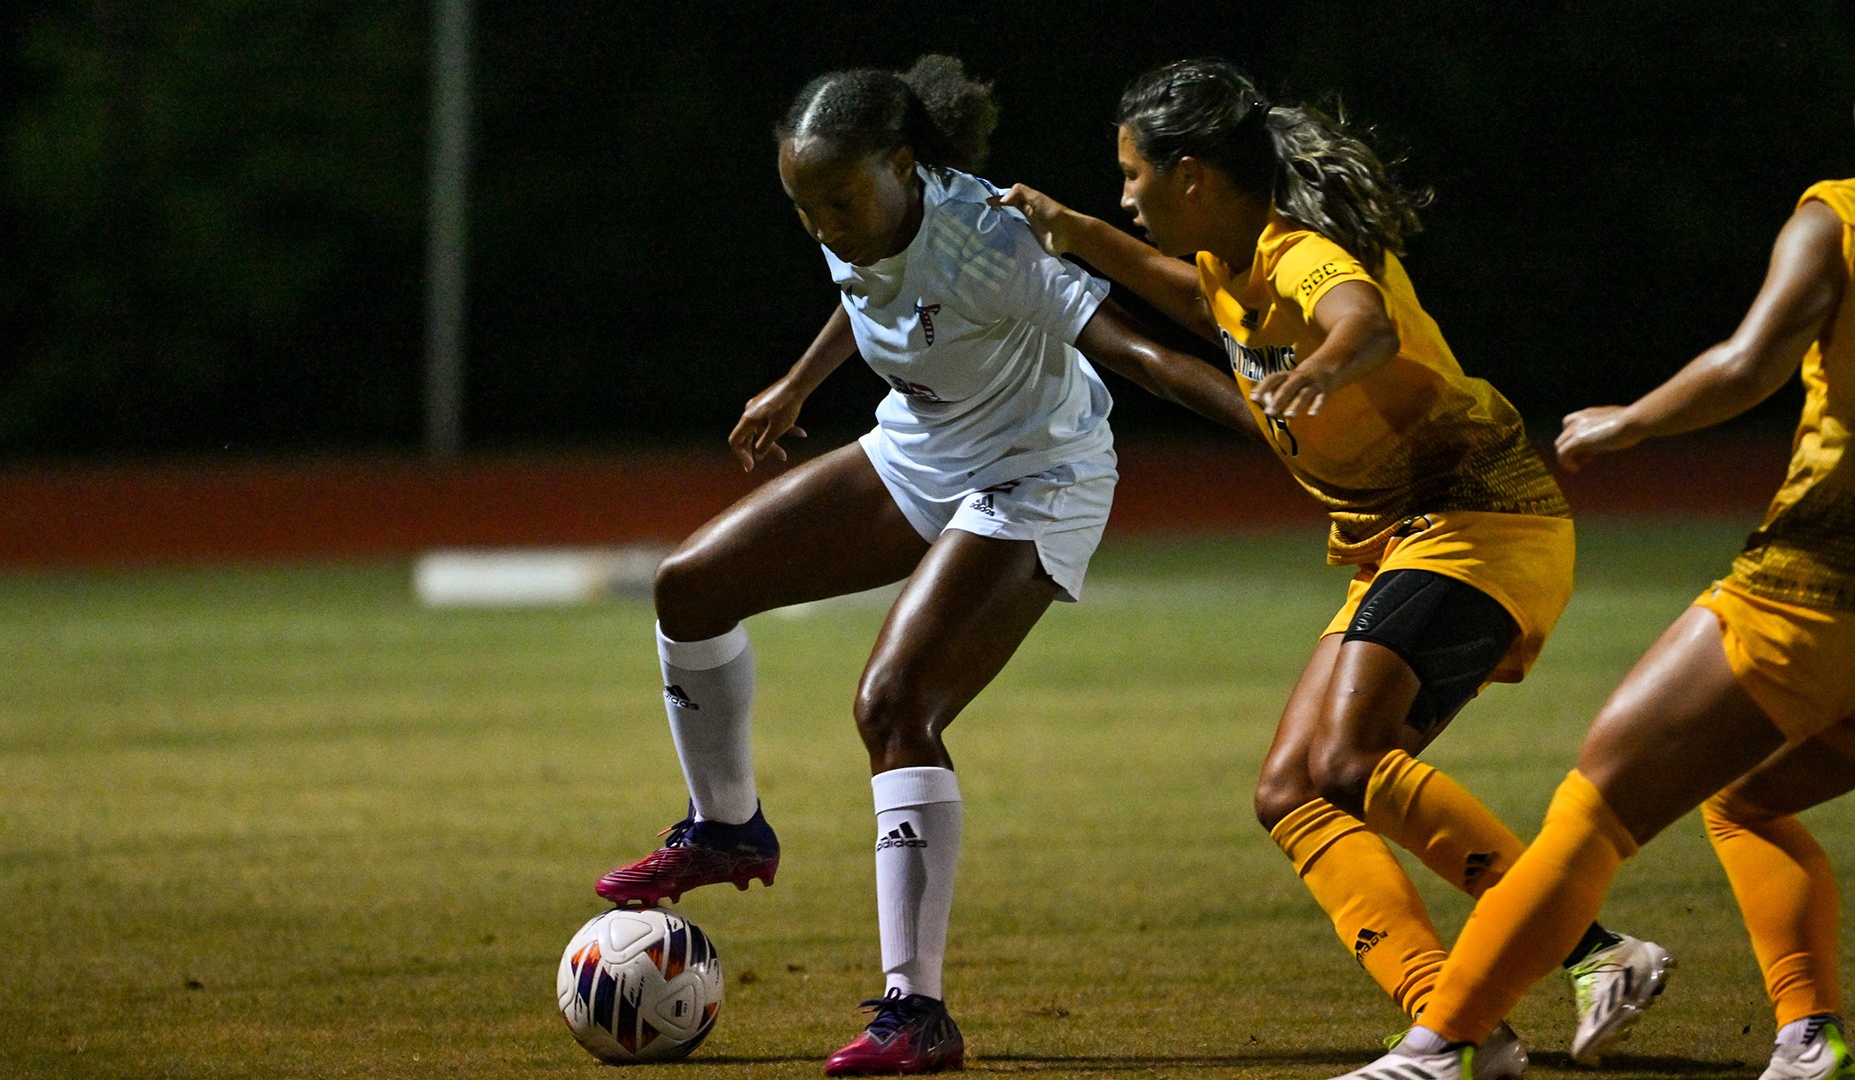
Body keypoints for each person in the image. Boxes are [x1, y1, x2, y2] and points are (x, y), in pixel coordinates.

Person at [993, 58, 1670, 1075]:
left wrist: (1328, 361)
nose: (1124, 195)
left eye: (1132, 176)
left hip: (1481, 518)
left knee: (1349, 761)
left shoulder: (1299, 252)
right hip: (1399, 540)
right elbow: (1200, 300)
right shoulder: (1230, 261)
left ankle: (1543, 980)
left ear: (1191, 177)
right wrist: (1077, 233)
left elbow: (1361, 315)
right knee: (1291, 792)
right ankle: (1465, 1016)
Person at [593, 55, 1254, 1077]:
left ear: (904, 165)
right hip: (922, 446)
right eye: (803, 204)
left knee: (896, 703)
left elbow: (1140, 355)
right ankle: (727, 830)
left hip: (1039, 470)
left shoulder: (992, 241)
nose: (822, 223)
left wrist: (1278, 426)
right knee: (690, 587)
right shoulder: (854, 206)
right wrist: (797, 382)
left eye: (839, 198)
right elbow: (868, 290)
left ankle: (918, 1014)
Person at [1329, 177, 1855, 1080]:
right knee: (1749, 798)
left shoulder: (1838, 214)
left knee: (1597, 804)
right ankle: (1810, 1038)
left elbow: (1748, 363)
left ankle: (1441, 1047)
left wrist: (1631, 423)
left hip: (1820, 587)